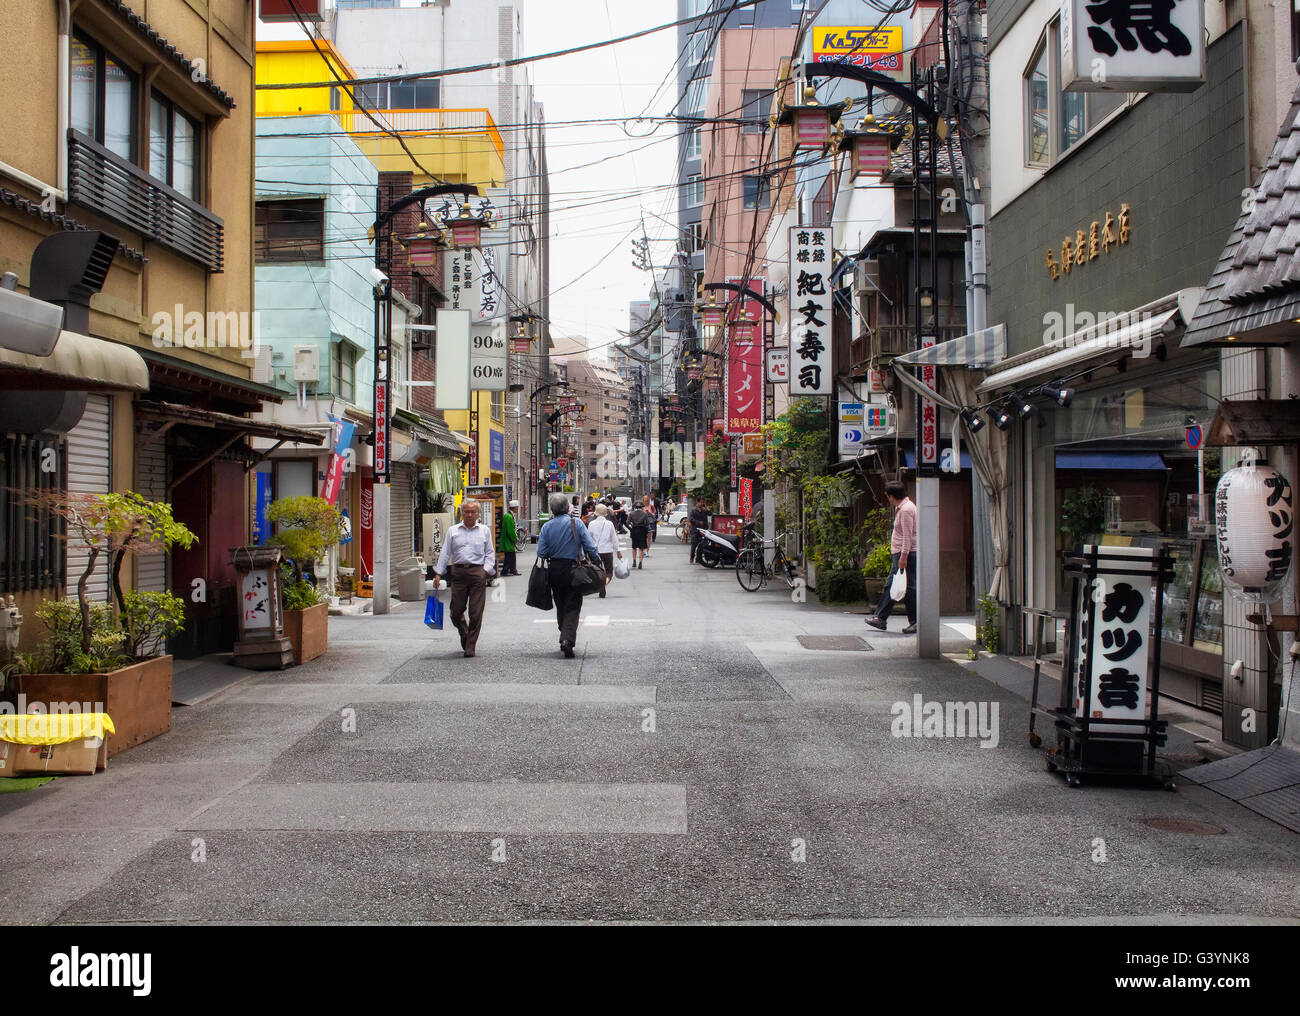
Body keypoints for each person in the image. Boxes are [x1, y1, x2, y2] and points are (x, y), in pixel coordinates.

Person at [537, 492, 601, 658]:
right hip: (574, 568)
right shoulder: (576, 523)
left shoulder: (546, 527)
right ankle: (567, 639)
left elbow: (541, 552)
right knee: (573, 605)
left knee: (560, 602)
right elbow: (590, 545)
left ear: (552, 509)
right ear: (567, 508)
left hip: (554, 569)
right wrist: (598, 562)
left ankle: (564, 632)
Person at [433, 499, 496, 657]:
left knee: (476, 612)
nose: (469, 515)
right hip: (459, 573)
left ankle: (470, 646)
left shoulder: (484, 531)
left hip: (477, 573)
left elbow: (490, 554)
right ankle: (464, 631)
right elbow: (445, 552)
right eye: (466, 512)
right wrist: (438, 573)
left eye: (472, 512)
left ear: (478, 514)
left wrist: (485, 571)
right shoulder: (453, 531)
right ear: (461, 513)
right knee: (455, 611)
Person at [866, 480, 918, 635]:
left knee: (907, 588)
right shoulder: (903, 508)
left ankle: (914, 621)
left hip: (905, 554)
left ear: (893, 496)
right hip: (902, 553)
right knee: (893, 585)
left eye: (888, 496)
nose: (888, 499)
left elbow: (908, 536)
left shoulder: (906, 510)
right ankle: (880, 618)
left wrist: (903, 556)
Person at [587, 503, 621, 598]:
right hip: (607, 551)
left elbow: (588, 539)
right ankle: (604, 585)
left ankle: (600, 585)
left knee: (596, 571)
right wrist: (618, 550)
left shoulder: (591, 524)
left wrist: (586, 552)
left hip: (595, 551)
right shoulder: (609, 524)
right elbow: (614, 538)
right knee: (609, 572)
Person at [500, 499, 521, 576]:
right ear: (514, 508)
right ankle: (507, 571)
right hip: (508, 540)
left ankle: (512, 570)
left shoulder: (508, 515)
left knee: (510, 556)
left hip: (507, 540)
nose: (518, 509)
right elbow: (510, 530)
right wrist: (515, 538)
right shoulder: (508, 517)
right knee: (510, 556)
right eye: (517, 508)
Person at [628, 500, 650, 568]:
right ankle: (640, 562)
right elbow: (647, 523)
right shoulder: (644, 514)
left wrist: (631, 528)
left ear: (635, 507)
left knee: (634, 547)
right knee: (641, 548)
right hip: (642, 530)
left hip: (634, 530)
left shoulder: (631, 513)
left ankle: (634, 561)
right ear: (642, 507)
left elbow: (627, 522)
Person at [689, 499, 710, 564]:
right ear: (697, 502)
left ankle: (698, 558)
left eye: (702, 502)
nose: (702, 504)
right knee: (694, 545)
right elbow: (691, 519)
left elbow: (710, 514)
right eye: (701, 502)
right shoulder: (693, 510)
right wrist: (698, 522)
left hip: (703, 530)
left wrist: (707, 507)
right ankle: (691, 557)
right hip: (695, 529)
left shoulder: (704, 510)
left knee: (702, 545)